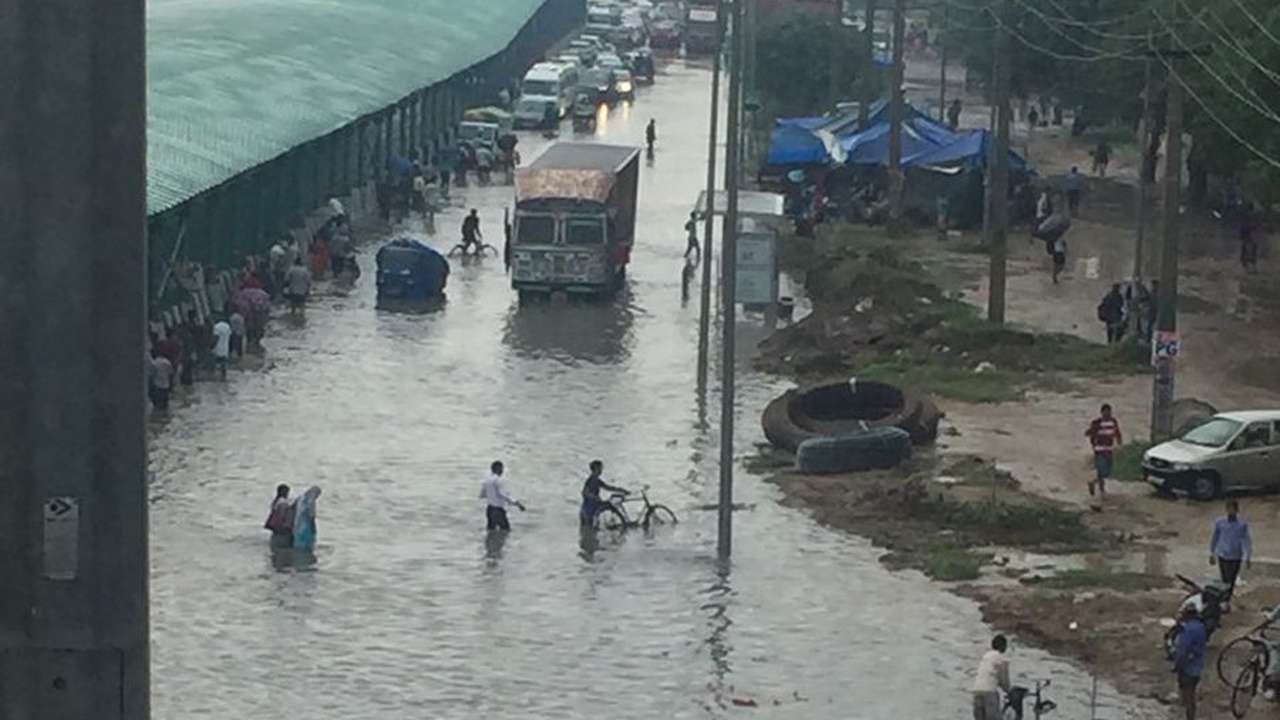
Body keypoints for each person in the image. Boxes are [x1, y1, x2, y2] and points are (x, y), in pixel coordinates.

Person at [1210, 499, 1252, 607]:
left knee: (1231, 579)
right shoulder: (1220, 522)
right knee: (1225, 579)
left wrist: (1248, 555)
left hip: (1236, 555)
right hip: (1223, 554)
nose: (1230, 511)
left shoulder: (1242, 524)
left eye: (1232, 509)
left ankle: (1226, 600)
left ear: (1237, 510)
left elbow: (1246, 540)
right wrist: (1212, 552)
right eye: (1228, 509)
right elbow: (1215, 537)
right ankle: (1224, 600)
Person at [1171, 604, 1206, 720]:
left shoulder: (1188, 630)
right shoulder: (1201, 627)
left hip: (1187, 668)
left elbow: (1183, 651)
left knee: (1188, 697)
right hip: (1197, 667)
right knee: (1191, 695)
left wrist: (1177, 665)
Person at [1084, 403, 1122, 498]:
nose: (1107, 414)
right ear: (1101, 413)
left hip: (1109, 450)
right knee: (1101, 471)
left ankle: (1093, 483)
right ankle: (1102, 490)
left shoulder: (1113, 421)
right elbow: (1089, 433)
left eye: (1108, 412)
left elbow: (1117, 432)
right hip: (1099, 451)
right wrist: (1093, 442)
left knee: (1108, 472)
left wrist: (1119, 442)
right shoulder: (1097, 423)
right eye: (1105, 412)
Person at [971, 634, 1011, 720]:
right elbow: (1004, 680)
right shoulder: (1001, 658)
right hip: (989, 693)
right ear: (1003, 646)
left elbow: (989, 674)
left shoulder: (985, 656)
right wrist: (1009, 691)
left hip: (977, 692)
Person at [479, 461, 525, 532]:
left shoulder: (487, 480)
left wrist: (491, 496)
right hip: (498, 510)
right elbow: (504, 495)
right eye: (502, 468)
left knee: (490, 530)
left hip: (489, 509)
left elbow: (482, 495)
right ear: (498, 469)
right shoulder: (499, 480)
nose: (502, 471)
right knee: (506, 530)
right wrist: (518, 504)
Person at [580, 460, 628, 527]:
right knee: (590, 528)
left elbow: (608, 487)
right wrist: (594, 497)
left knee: (588, 529)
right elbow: (584, 492)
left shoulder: (596, 480)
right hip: (589, 508)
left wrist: (621, 490)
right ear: (595, 469)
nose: (601, 471)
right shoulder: (591, 480)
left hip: (589, 508)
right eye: (600, 469)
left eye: (601, 469)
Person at [291, 486, 322, 553]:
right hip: (306, 525)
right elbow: (311, 516)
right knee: (306, 543)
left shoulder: (300, 499)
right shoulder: (311, 502)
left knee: (298, 540)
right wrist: (313, 528)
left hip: (298, 523)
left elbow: (292, 508)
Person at [263, 484, 293, 549]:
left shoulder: (276, 501)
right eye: (287, 492)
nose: (287, 494)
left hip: (275, 530)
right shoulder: (283, 502)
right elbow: (282, 515)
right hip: (281, 530)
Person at [148, 348, 174, 412]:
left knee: (157, 405)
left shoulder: (154, 362)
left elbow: (152, 374)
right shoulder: (167, 362)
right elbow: (171, 374)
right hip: (166, 385)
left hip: (157, 385)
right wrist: (171, 386)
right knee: (165, 405)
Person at [211, 315, 232, 381]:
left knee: (215, 362)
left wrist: (212, 346)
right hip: (225, 347)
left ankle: (214, 376)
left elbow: (216, 337)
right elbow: (229, 335)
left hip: (217, 347)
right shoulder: (227, 326)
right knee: (224, 363)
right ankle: (223, 377)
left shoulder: (216, 326)